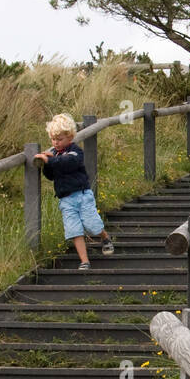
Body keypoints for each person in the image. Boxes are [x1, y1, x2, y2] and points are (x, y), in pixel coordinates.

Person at [33, 113, 114, 270]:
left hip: (82, 195)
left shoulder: (75, 152)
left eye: (60, 139)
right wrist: (47, 164)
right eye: (53, 139)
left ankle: (104, 236)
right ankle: (84, 261)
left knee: (92, 226)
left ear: (69, 137)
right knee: (74, 230)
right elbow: (50, 176)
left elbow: (68, 163)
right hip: (66, 200)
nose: (56, 143)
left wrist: (50, 160)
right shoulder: (55, 154)